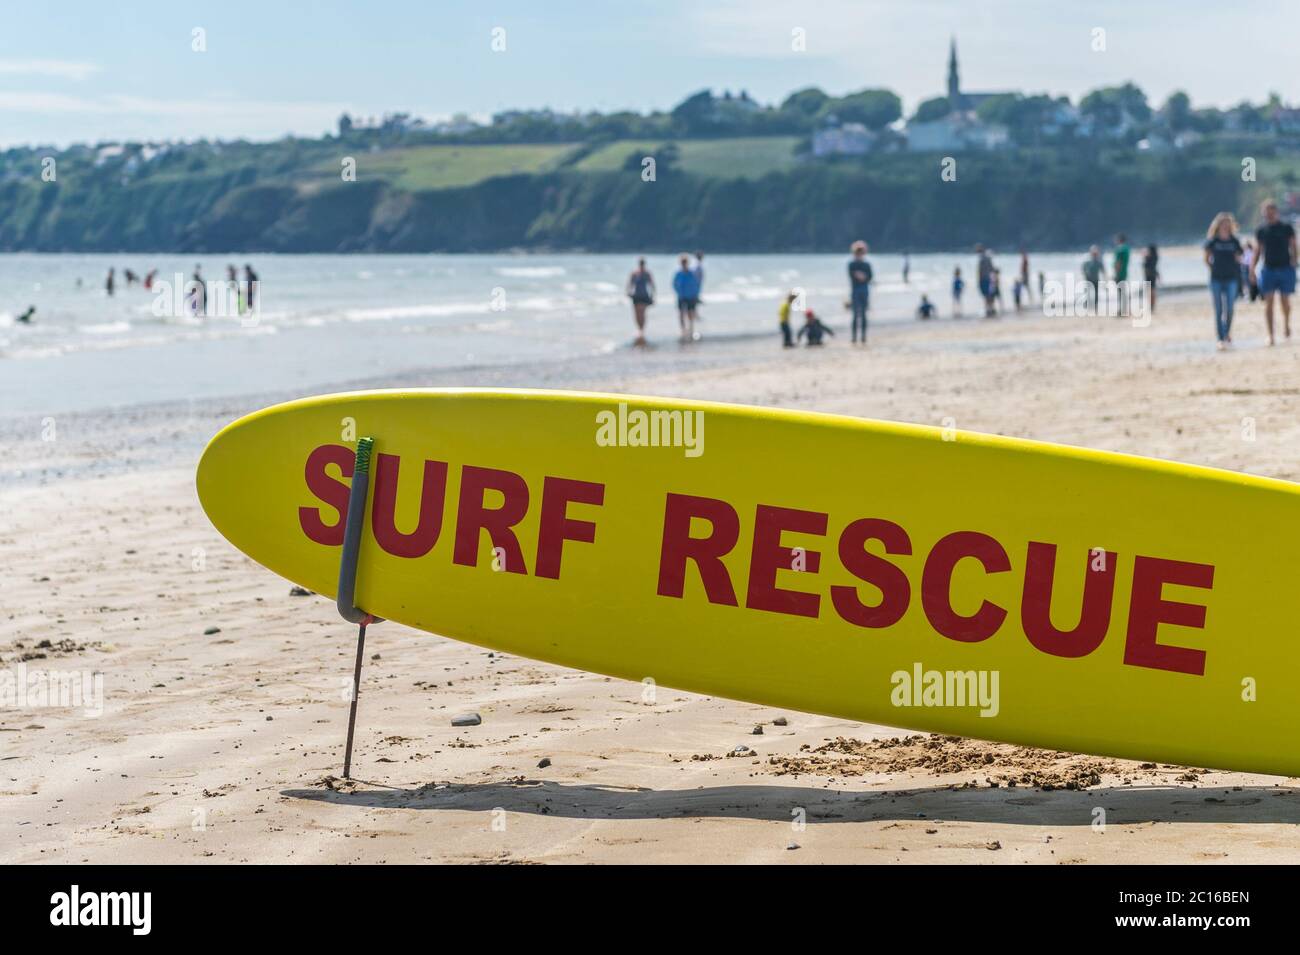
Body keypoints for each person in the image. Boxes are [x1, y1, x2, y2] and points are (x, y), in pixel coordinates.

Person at [1256, 199, 1297, 344]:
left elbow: (1293, 245)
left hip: (1286, 268)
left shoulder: (1286, 227)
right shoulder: (1261, 230)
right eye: (1266, 212)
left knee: (1285, 301)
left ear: (1276, 212)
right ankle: (1271, 335)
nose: (1269, 214)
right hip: (1268, 269)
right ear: (1264, 213)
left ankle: (1286, 325)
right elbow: (1258, 249)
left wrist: (1295, 261)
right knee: (1269, 303)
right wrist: (1252, 269)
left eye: (1271, 211)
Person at [1204, 212, 1243, 350]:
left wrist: (1238, 264)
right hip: (1216, 279)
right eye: (1223, 223)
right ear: (1218, 225)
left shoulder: (1234, 241)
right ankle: (1220, 338)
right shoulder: (1213, 241)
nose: (1225, 225)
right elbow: (1207, 258)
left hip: (1231, 278)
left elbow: (1240, 257)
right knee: (1219, 309)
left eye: (1227, 223)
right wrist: (1212, 268)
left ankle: (1227, 333)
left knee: (1230, 308)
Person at [847, 240, 872, 343]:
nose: (859, 254)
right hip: (855, 291)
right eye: (858, 252)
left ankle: (863, 337)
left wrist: (862, 276)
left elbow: (870, 277)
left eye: (861, 252)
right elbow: (852, 276)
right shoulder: (851, 264)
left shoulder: (867, 264)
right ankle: (854, 337)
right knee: (855, 315)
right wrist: (861, 276)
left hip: (864, 291)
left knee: (864, 314)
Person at [626, 257, 655, 346]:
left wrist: (652, 295)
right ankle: (639, 329)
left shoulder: (647, 273)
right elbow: (630, 284)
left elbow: (652, 285)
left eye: (642, 264)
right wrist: (628, 292)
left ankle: (641, 330)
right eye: (641, 263)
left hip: (644, 295)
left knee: (642, 313)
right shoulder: (634, 273)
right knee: (636, 314)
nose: (642, 265)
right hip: (636, 296)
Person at [672, 254, 701, 342]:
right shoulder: (678, 273)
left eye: (685, 262)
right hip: (681, 296)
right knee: (681, 314)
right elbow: (674, 284)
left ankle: (691, 328)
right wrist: (678, 292)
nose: (684, 264)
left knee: (690, 313)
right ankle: (683, 330)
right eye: (682, 262)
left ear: (687, 263)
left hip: (691, 296)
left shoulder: (692, 273)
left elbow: (696, 285)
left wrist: (696, 295)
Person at [1081, 246, 1105, 313]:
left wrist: (1105, 280)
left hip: (1096, 280)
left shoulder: (1098, 261)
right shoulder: (1088, 261)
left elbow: (1103, 271)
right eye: (1093, 253)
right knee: (1088, 292)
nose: (1095, 254)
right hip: (1089, 279)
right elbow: (1083, 268)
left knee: (1096, 293)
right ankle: (1088, 303)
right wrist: (1085, 275)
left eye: (1096, 253)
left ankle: (1095, 305)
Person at [1113, 233, 1131, 317]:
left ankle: (1122, 310)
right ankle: (1124, 309)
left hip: (1120, 274)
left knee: (1121, 292)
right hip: (1124, 272)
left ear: (1119, 240)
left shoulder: (1120, 249)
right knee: (1123, 292)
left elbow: (1118, 262)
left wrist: (1116, 274)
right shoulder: (1127, 249)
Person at [976, 244, 995, 317]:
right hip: (988, 278)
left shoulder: (982, 259)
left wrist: (979, 280)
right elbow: (992, 269)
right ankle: (990, 308)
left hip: (984, 279)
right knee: (989, 294)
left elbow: (980, 271)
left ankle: (988, 309)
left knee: (986, 295)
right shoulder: (987, 258)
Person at [1142, 244, 1159, 314]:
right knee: (1153, 291)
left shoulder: (1149, 257)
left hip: (1149, 276)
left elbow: (1145, 264)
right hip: (1153, 275)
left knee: (1150, 292)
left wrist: (1144, 255)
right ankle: (1152, 306)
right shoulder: (1155, 257)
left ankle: (1151, 307)